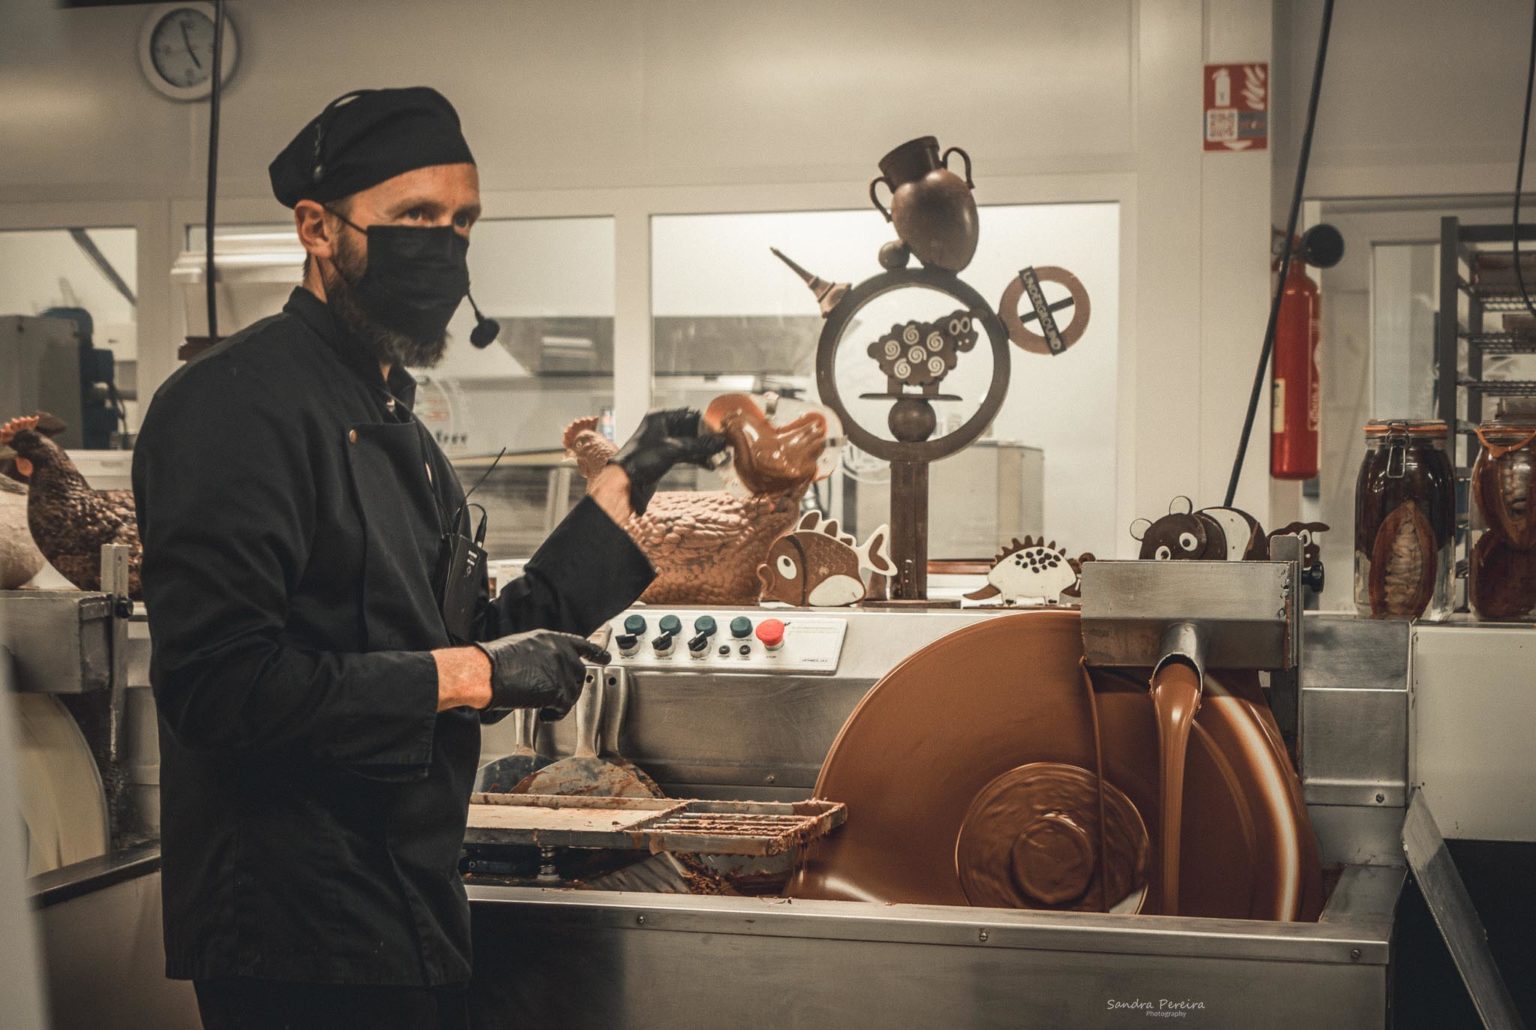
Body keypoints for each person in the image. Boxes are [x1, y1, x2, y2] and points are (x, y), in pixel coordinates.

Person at [131, 87, 723, 1030]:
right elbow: (218, 687)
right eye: (414, 218)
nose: (443, 248)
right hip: (294, 927)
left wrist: (635, 473)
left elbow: (484, 631)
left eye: (462, 223)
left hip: (405, 896)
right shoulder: (234, 405)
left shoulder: (398, 420)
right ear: (318, 228)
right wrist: (474, 673)